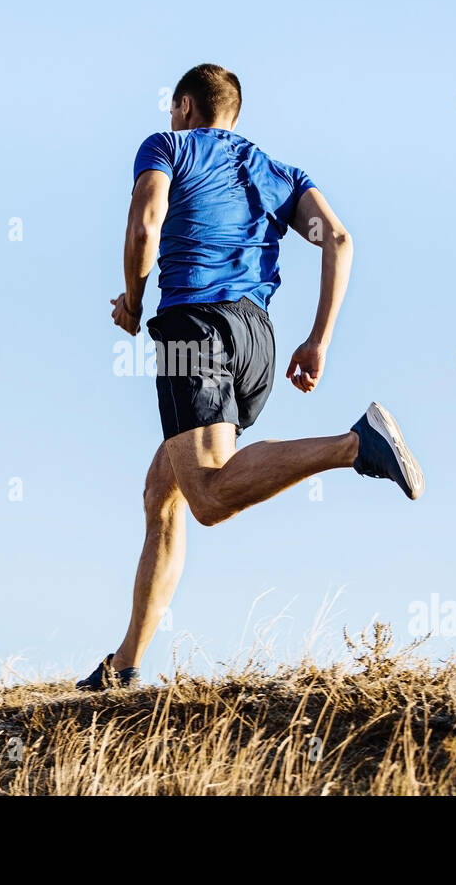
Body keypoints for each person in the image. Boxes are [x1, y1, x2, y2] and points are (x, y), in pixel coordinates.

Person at [77, 64, 424, 691]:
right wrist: (317, 339)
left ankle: (356, 445)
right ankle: (124, 664)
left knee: (207, 493)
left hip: (193, 330)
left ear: (185, 106)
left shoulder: (168, 147)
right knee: (165, 489)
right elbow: (339, 240)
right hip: (257, 339)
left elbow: (144, 225)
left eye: (173, 108)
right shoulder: (277, 174)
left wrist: (132, 299)